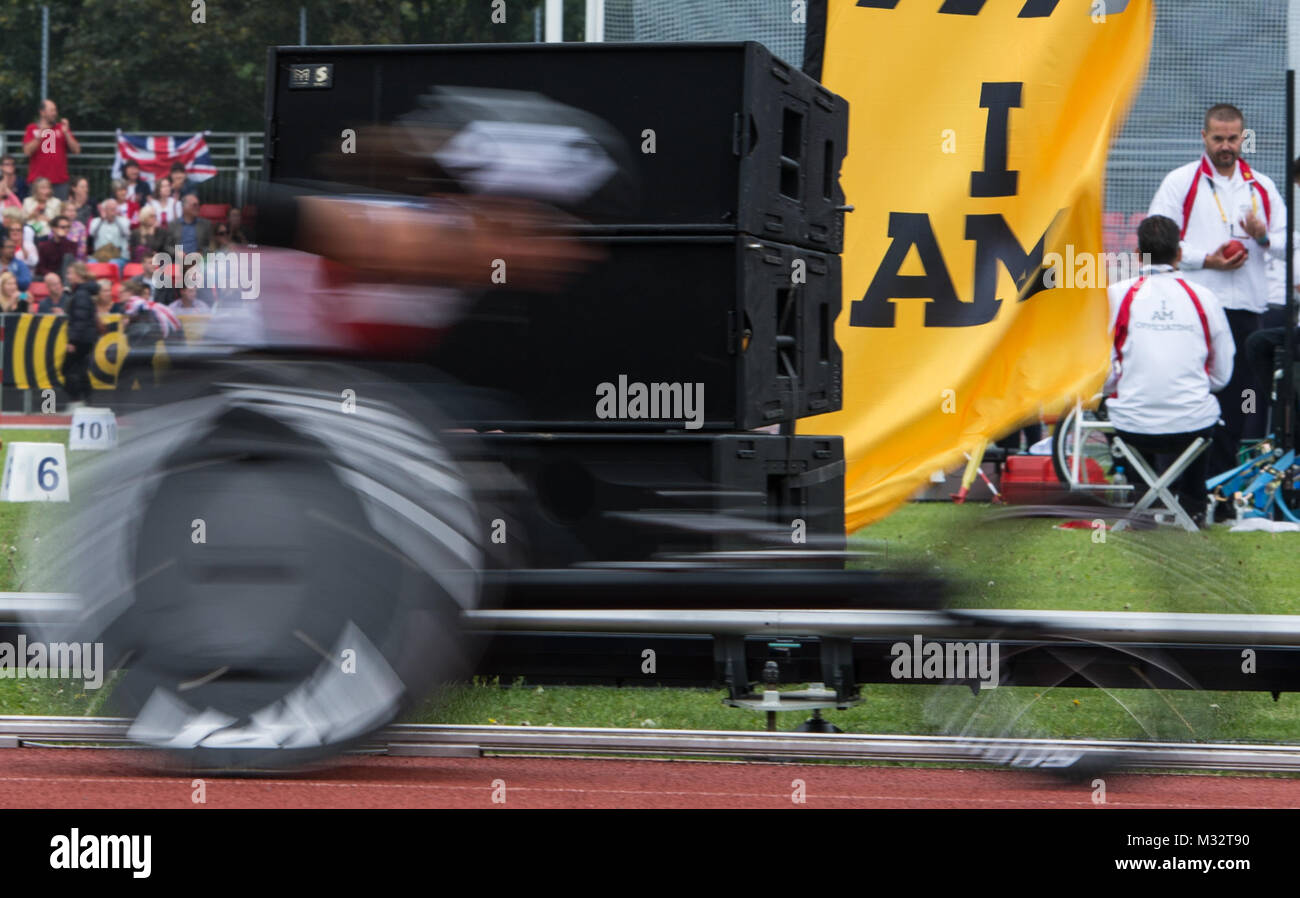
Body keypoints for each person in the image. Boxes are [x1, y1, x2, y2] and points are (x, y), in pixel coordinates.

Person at [1148, 104, 1287, 474]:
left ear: (1243, 138)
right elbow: (1156, 239)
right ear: (1204, 137)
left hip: (1246, 312)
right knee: (1187, 394)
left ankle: (1225, 488)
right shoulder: (1180, 182)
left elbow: (1291, 245)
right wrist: (1205, 259)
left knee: (1243, 398)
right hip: (1193, 310)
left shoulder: (1262, 186)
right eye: (1218, 138)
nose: (1226, 146)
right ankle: (1177, 484)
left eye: (1233, 138)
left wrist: (1262, 237)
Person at [1105, 215, 1236, 527]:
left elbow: (1103, 369)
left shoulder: (1116, 294)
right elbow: (1223, 372)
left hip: (1131, 426)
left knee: (1120, 409)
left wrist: (1117, 388)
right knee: (1204, 410)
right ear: (1179, 254)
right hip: (1191, 426)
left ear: (1137, 255)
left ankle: (1142, 500)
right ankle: (1193, 506)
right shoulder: (1204, 297)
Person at [21, 99, 80, 200]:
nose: (55, 113)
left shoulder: (62, 128)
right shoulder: (32, 128)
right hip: (38, 182)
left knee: (60, 213)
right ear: (42, 112)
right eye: (51, 110)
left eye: (55, 110)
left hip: (59, 181)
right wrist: (40, 134)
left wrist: (66, 133)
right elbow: (27, 151)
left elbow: (76, 150)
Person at [61, 262, 99, 409]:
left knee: (68, 369)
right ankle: (86, 400)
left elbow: (80, 319)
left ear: (78, 275)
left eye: (70, 273)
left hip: (81, 338)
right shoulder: (82, 293)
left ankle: (77, 401)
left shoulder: (81, 294)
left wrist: (73, 341)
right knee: (80, 369)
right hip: (86, 338)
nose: (68, 277)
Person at [164, 194, 212, 258]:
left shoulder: (205, 224)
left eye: (198, 205)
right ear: (184, 207)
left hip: (199, 261)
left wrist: (201, 253)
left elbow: (211, 246)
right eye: (194, 205)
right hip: (179, 261)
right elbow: (167, 246)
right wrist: (176, 252)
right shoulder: (173, 225)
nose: (198, 207)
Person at [88, 199, 131, 268]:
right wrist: (101, 220)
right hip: (99, 255)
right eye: (110, 209)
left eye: (114, 209)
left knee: (112, 264)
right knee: (90, 264)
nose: (112, 211)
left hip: (119, 256)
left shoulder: (124, 221)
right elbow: (92, 234)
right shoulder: (96, 221)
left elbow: (125, 233)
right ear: (104, 210)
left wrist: (115, 219)